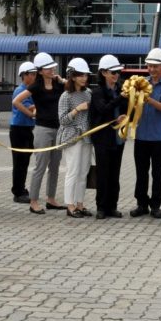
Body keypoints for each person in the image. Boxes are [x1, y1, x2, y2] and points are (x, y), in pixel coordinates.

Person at [12, 52, 64, 214]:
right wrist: (31, 114)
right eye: (48, 68)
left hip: (58, 128)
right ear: (40, 71)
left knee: (55, 166)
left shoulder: (58, 84)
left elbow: (75, 86)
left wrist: (62, 80)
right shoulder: (36, 86)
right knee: (40, 166)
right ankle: (34, 201)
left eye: (52, 67)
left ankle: (51, 199)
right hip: (42, 129)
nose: (52, 70)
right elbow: (16, 101)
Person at [132, 48, 161, 219]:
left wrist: (148, 99)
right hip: (141, 135)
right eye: (149, 66)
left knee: (157, 174)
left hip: (159, 137)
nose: (152, 69)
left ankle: (155, 205)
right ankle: (141, 204)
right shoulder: (140, 83)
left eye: (156, 66)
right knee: (141, 173)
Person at [90, 54, 127, 219]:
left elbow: (127, 109)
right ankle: (101, 207)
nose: (116, 75)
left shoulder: (121, 90)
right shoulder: (97, 92)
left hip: (118, 138)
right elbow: (103, 110)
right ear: (104, 73)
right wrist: (120, 99)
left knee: (115, 174)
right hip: (103, 139)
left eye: (118, 72)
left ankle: (113, 206)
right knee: (103, 173)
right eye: (113, 72)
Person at [57, 58, 94, 218]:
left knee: (83, 171)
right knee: (72, 171)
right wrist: (77, 109)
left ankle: (80, 204)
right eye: (80, 75)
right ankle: (70, 205)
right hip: (72, 137)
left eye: (85, 75)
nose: (84, 78)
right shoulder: (66, 96)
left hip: (87, 137)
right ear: (72, 76)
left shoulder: (89, 93)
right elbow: (63, 120)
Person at [9, 61, 38, 203]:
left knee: (25, 161)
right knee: (20, 162)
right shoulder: (21, 91)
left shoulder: (29, 90)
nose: (34, 77)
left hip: (27, 128)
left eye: (35, 74)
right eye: (32, 74)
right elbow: (29, 109)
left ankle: (21, 188)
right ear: (24, 75)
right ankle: (18, 192)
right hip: (18, 129)